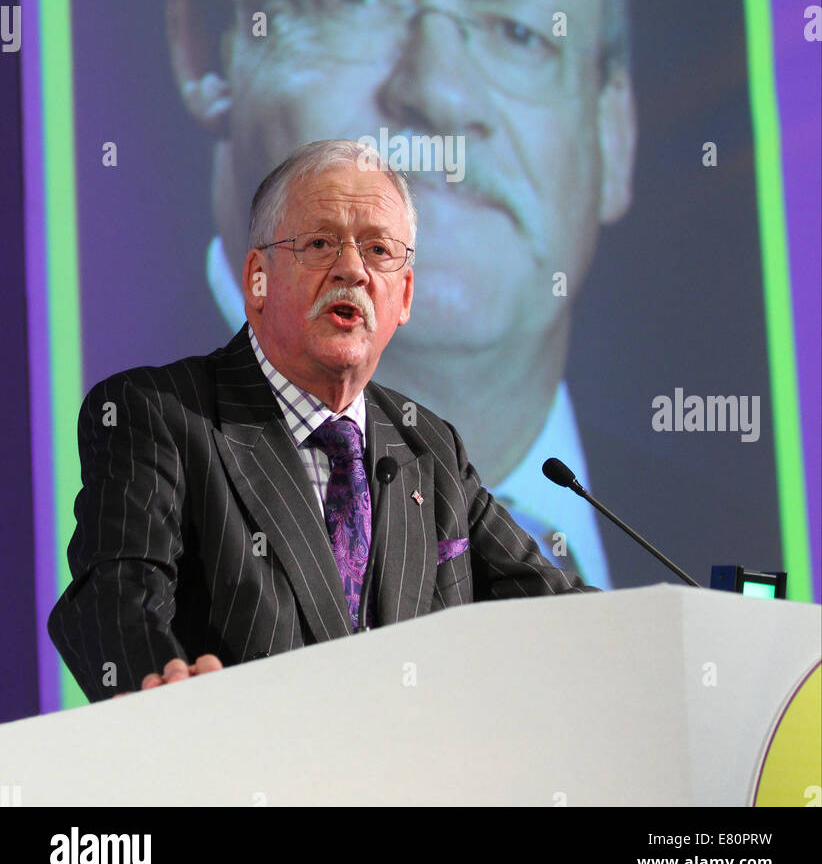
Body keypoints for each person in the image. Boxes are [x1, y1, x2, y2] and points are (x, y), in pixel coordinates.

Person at [165, 0, 638, 591]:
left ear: (613, 131)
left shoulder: (741, 555)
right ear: (202, 41)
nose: (442, 91)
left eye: (516, 32)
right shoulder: (90, 468)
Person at [48, 140, 595, 703]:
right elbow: (119, 591)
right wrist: (159, 685)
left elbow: (553, 605)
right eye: (319, 243)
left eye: (380, 250)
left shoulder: (429, 448)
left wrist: (676, 633)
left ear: (403, 296)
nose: (353, 269)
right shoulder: (160, 413)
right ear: (257, 278)